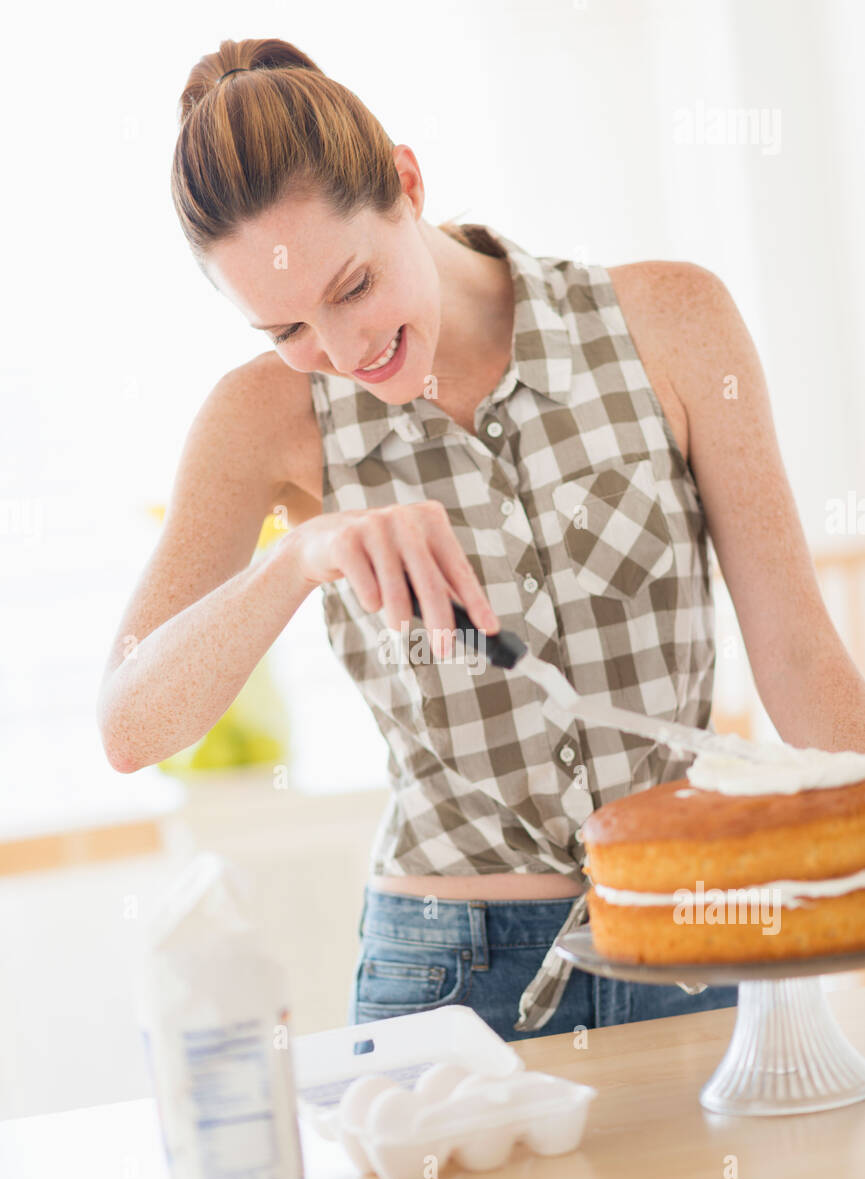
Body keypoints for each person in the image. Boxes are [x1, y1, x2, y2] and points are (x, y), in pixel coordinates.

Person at [100, 37, 838, 1043]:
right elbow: (130, 725)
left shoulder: (671, 322)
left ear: (405, 183)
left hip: (691, 935)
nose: (344, 350)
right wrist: (296, 557)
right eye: (287, 330)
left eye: (353, 286)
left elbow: (799, 662)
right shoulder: (261, 423)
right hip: (446, 980)